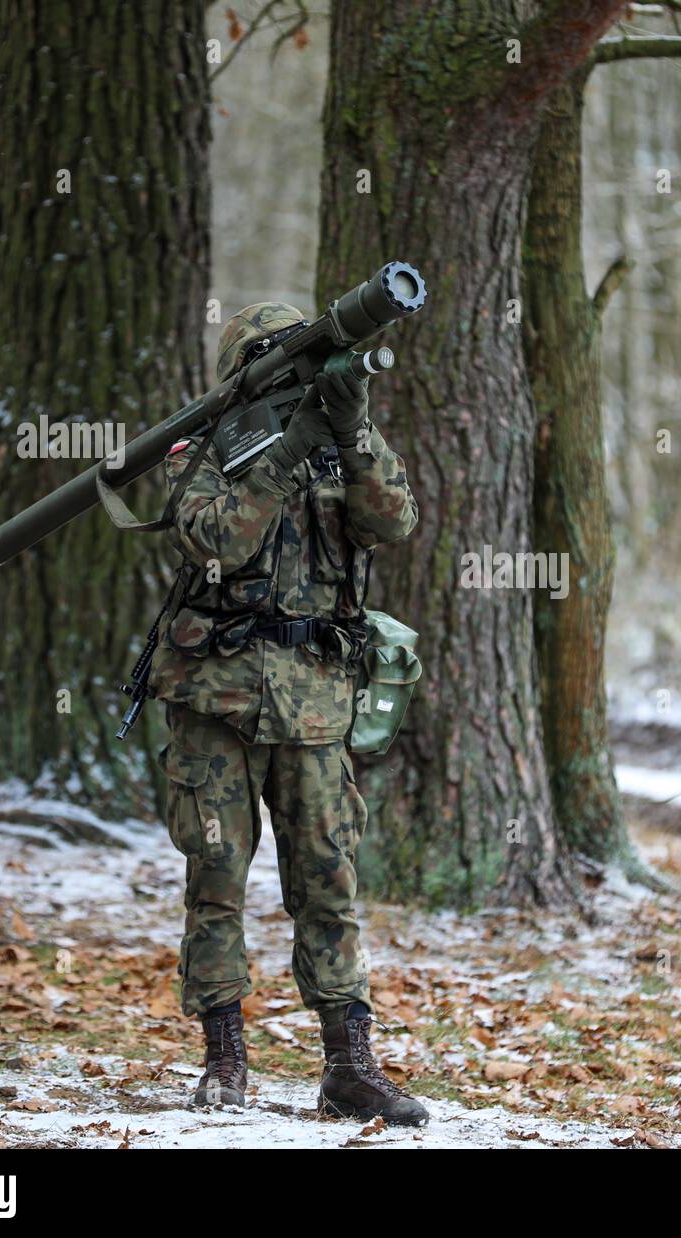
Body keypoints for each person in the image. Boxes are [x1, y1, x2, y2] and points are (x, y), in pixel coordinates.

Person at [148, 301, 427, 1125]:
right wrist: (288, 449)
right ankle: (224, 1061)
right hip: (215, 698)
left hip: (314, 699)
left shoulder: (343, 446)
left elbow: (394, 521)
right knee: (217, 880)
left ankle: (349, 1065)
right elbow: (217, 540)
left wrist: (351, 427)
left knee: (327, 880)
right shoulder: (202, 449)